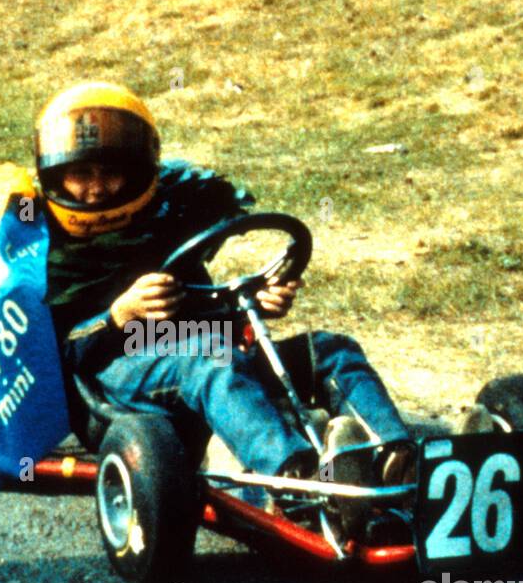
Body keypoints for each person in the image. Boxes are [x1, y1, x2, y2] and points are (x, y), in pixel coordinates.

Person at [35, 81, 422, 513]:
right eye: (81, 174)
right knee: (214, 359)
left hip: (200, 352)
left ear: (139, 171)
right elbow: (52, 355)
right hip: (111, 376)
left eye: (110, 172)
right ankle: (299, 479)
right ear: (57, 176)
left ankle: (395, 459)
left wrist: (253, 304)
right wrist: (117, 315)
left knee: (331, 350)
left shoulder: (163, 224)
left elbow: (203, 312)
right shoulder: (43, 248)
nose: (98, 189)